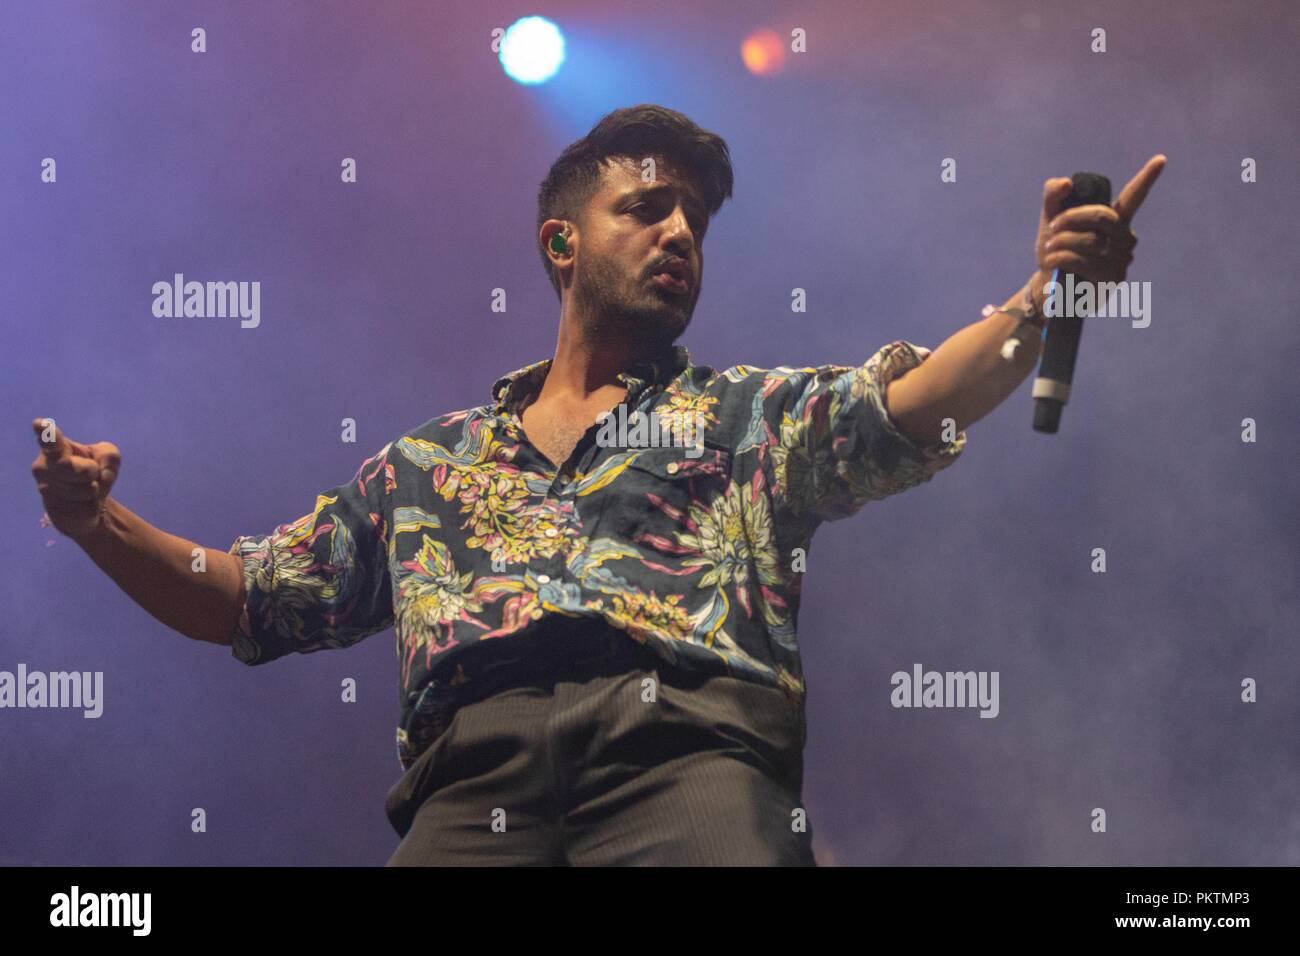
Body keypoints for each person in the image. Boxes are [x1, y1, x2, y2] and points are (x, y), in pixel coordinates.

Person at [29, 104, 1164, 865]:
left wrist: (1042, 301)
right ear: (560, 243)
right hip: (470, 776)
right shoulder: (429, 464)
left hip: (688, 755)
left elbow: (918, 401)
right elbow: (244, 596)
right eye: (647, 208)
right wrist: (96, 522)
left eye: (697, 222)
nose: (679, 233)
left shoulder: (743, 416)